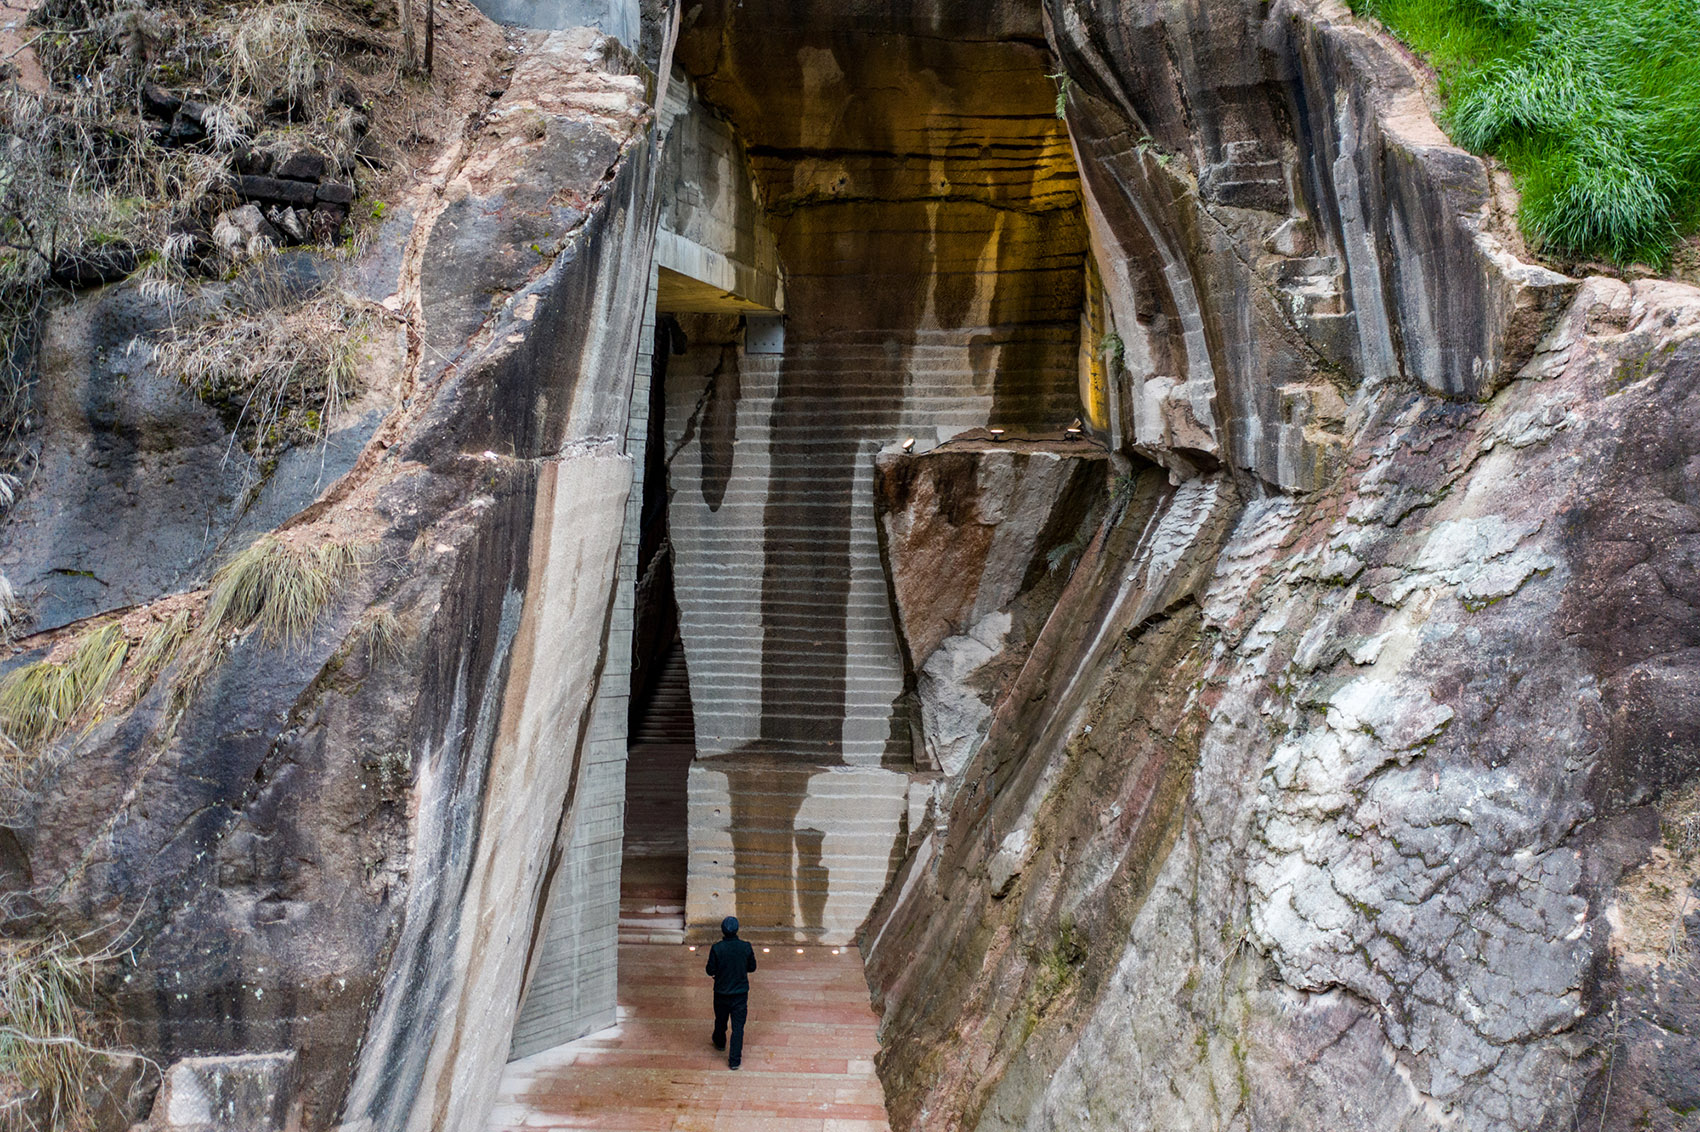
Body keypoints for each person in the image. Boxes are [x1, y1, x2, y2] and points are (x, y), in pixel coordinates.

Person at [705, 915, 757, 1069]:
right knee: (738, 1027)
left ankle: (720, 1042)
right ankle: (735, 1060)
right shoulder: (746, 947)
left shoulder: (717, 948)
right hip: (740, 994)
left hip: (721, 992)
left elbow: (710, 970)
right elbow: (752, 967)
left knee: (720, 1020)